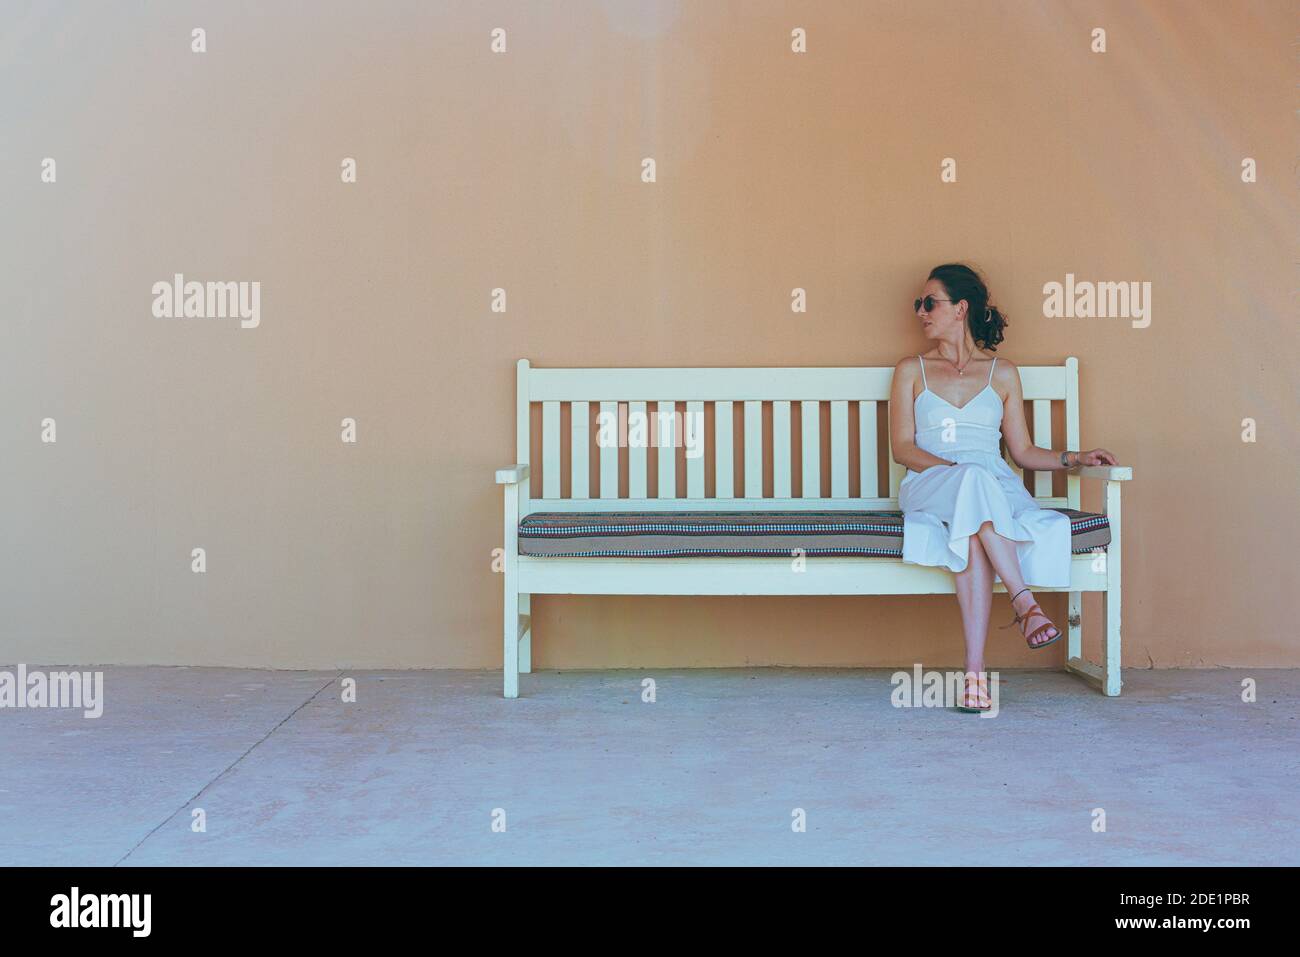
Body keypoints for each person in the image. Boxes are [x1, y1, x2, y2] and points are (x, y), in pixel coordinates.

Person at [889, 263, 1118, 712]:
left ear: (961, 309)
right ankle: (1025, 602)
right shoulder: (910, 370)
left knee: (974, 533)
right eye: (919, 303)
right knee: (973, 483)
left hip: (992, 490)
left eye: (929, 302)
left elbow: (1024, 452)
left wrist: (1076, 458)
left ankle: (975, 676)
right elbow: (902, 448)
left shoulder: (1003, 373)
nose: (920, 311)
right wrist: (958, 475)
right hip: (930, 483)